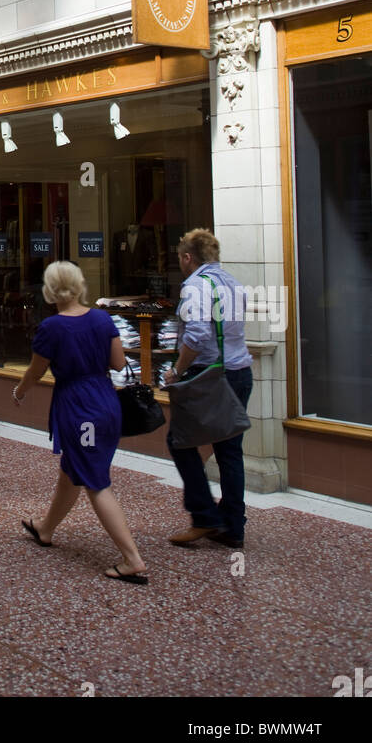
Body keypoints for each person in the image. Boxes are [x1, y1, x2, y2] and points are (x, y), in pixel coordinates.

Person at [14, 260, 148, 584]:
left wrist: (19, 391)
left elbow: (36, 371)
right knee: (72, 471)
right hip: (106, 401)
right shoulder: (102, 319)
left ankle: (132, 559)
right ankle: (45, 529)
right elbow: (118, 363)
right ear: (79, 284)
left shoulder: (52, 328)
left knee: (95, 481)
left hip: (79, 409)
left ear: (49, 291)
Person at [164, 228, 253, 550]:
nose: (180, 264)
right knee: (230, 451)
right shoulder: (232, 283)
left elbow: (198, 335)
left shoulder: (196, 286)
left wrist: (176, 370)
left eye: (180, 258)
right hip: (240, 372)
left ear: (188, 258)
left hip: (211, 377)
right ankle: (232, 526)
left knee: (180, 442)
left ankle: (204, 516)